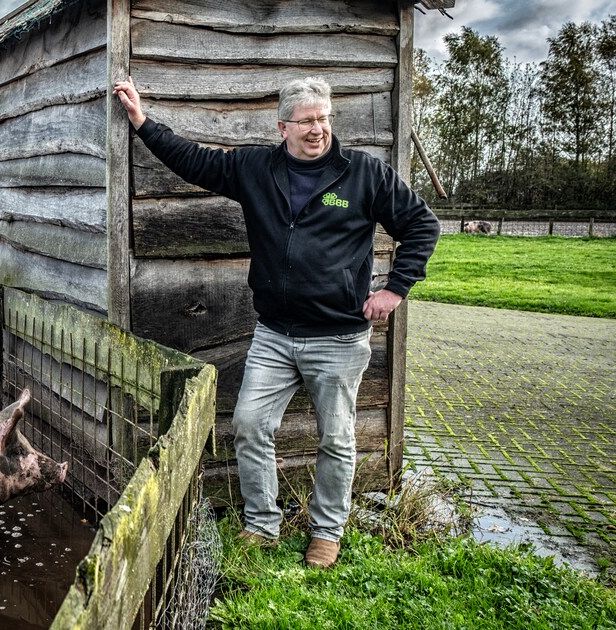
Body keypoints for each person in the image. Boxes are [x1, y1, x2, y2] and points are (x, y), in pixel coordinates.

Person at [113, 76, 439, 568]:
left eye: (324, 117)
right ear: (283, 125)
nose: (318, 129)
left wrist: (395, 289)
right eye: (307, 120)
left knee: (337, 436)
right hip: (274, 334)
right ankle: (261, 524)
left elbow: (421, 225)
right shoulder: (256, 168)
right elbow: (194, 161)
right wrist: (142, 121)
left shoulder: (364, 174)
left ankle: (327, 532)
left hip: (339, 337)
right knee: (248, 423)